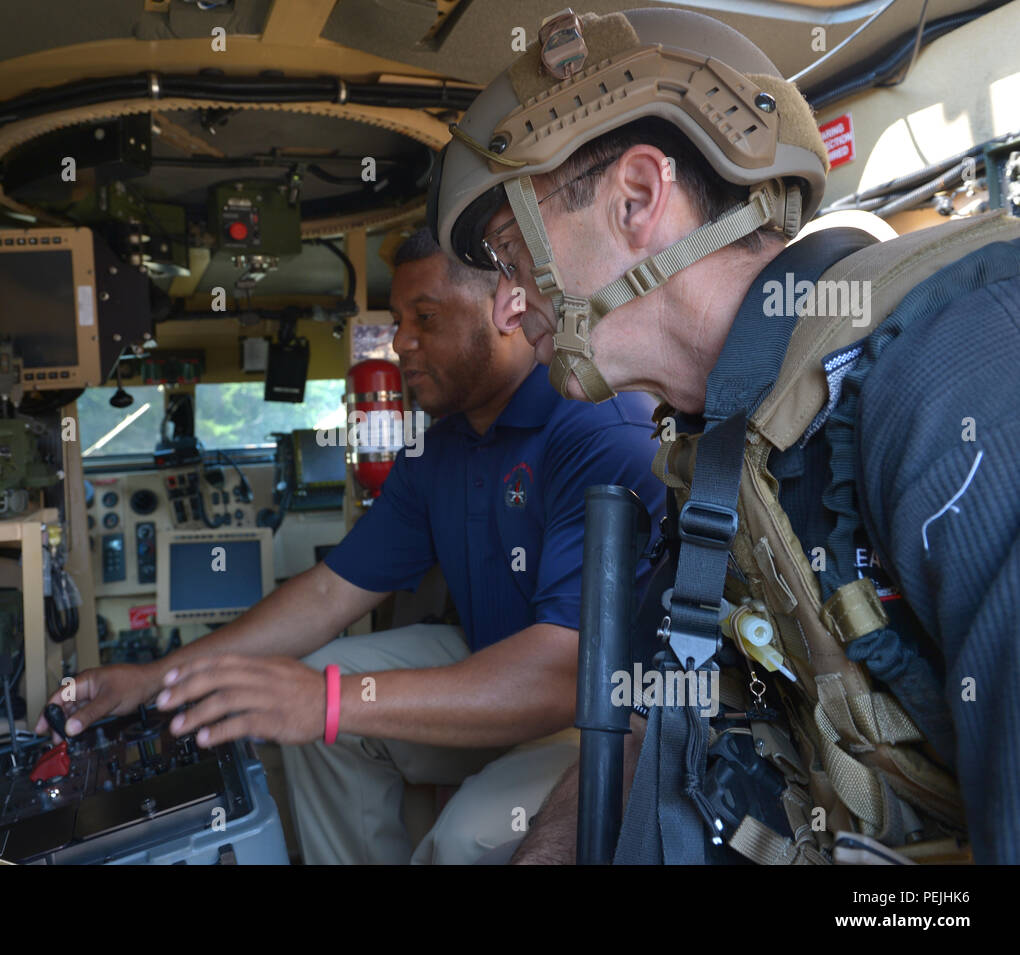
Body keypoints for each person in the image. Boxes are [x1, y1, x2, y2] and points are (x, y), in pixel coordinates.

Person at [429, 6, 1020, 863]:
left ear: (637, 197)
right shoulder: (720, 448)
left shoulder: (957, 365)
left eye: (514, 255)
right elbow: (645, 723)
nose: (510, 305)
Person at [38, 229, 666, 863]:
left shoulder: (595, 424)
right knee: (311, 680)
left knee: (464, 834)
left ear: (507, 306)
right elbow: (329, 592)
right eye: (398, 321)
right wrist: (154, 679)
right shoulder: (441, 448)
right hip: (491, 664)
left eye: (425, 318)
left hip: (601, 715)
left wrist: (329, 704)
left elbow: (563, 675)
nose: (401, 342)